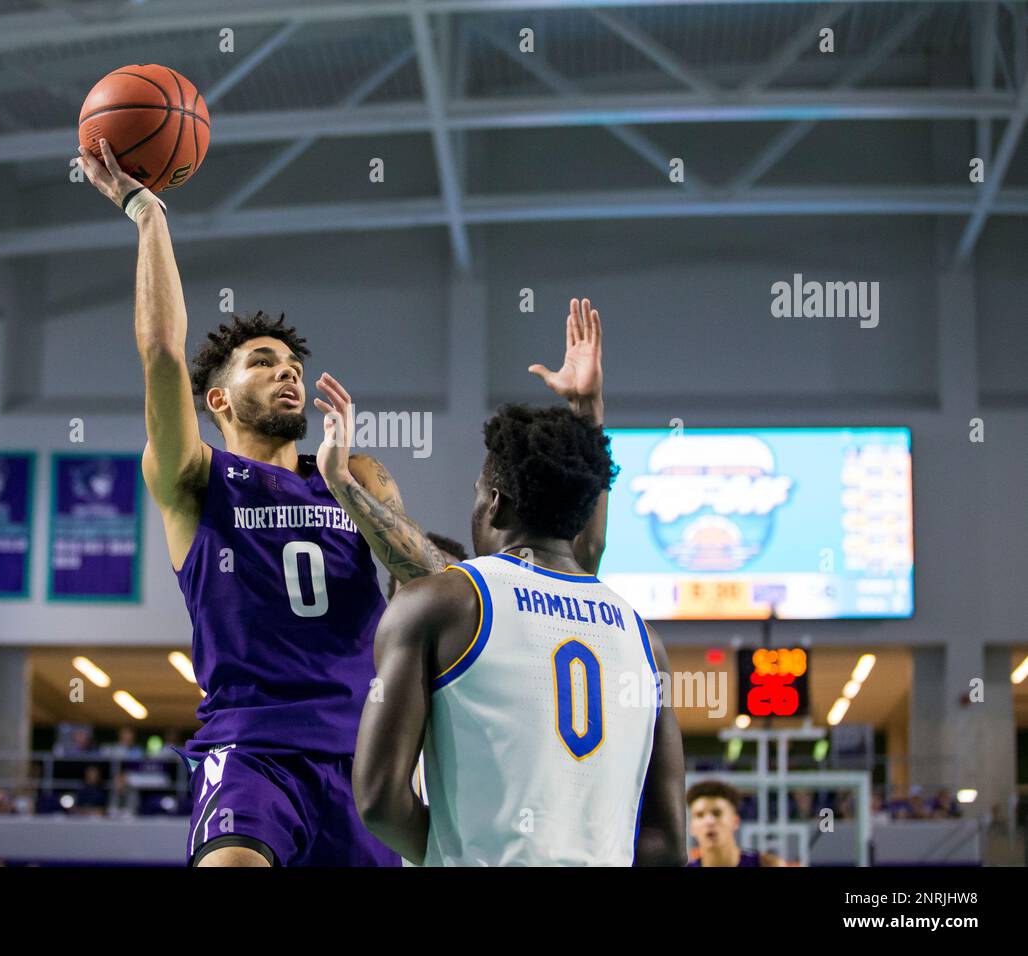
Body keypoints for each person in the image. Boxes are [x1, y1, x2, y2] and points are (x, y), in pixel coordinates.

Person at [78, 142, 612, 867]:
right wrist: (148, 217)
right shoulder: (195, 480)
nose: (286, 373)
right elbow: (163, 353)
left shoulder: (355, 471)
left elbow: (427, 579)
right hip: (252, 751)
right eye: (262, 363)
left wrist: (346, 490)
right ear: (219, 399)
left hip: (364, 762)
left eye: (293, 365)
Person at [353, 404, 685, 865]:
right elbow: (667, 844)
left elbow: (378, 801)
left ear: (496, 501)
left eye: (476, 494)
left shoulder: (440, 602)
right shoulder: (644, 639)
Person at [685, 780, 786, 866]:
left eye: (717, 813)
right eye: (700, 815)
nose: (709, 821)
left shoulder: (767, 865)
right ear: (692, 827)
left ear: (735, 821)